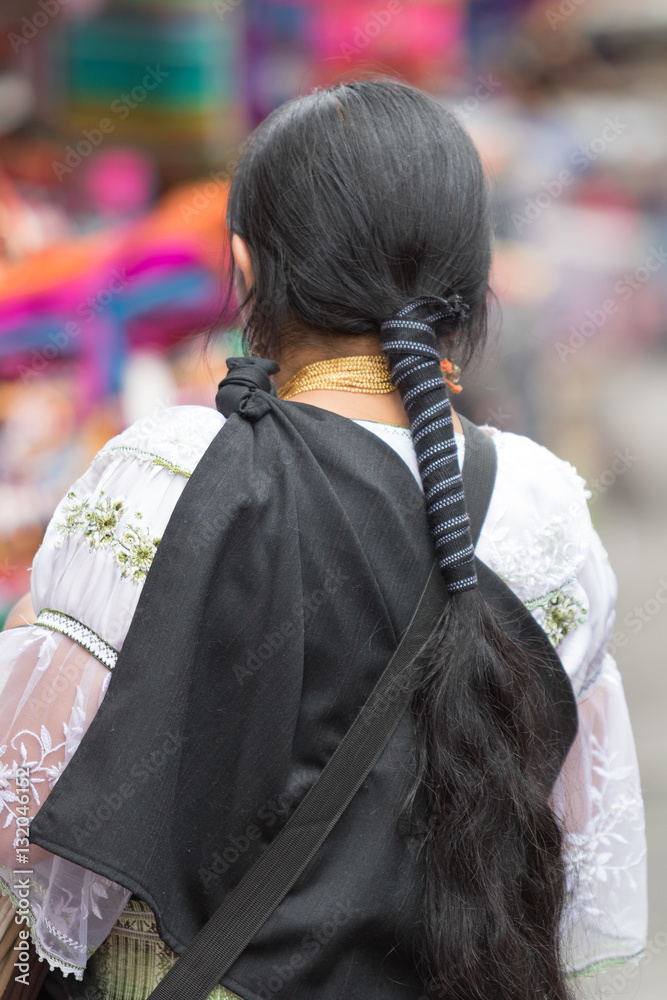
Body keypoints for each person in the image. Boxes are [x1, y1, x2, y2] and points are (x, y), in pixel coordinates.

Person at [0, 80, 646, 1000]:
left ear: (248, 270)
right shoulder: (545, 512)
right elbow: (566, 864)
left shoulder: (169, 478)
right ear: (469, 288)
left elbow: (29, 851)